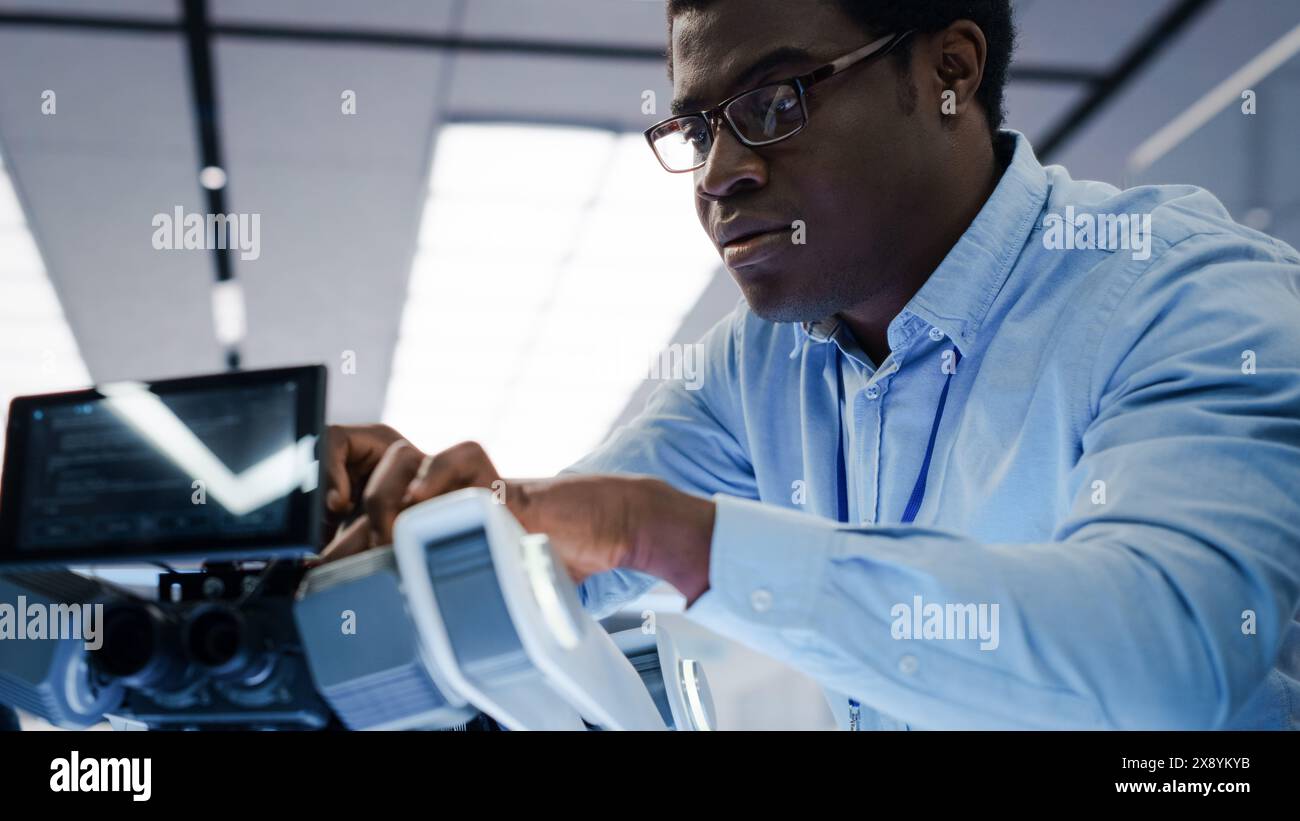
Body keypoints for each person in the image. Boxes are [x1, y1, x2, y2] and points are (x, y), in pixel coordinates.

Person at [319, 0, 1300, 729]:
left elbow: (1165, 652)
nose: (716, 175)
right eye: (698, 127)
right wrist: (426, 529)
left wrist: (675, 538)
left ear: (948, 71)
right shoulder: (760, 366)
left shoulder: (1181, 290)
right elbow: (573, 545)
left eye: (773, 102)